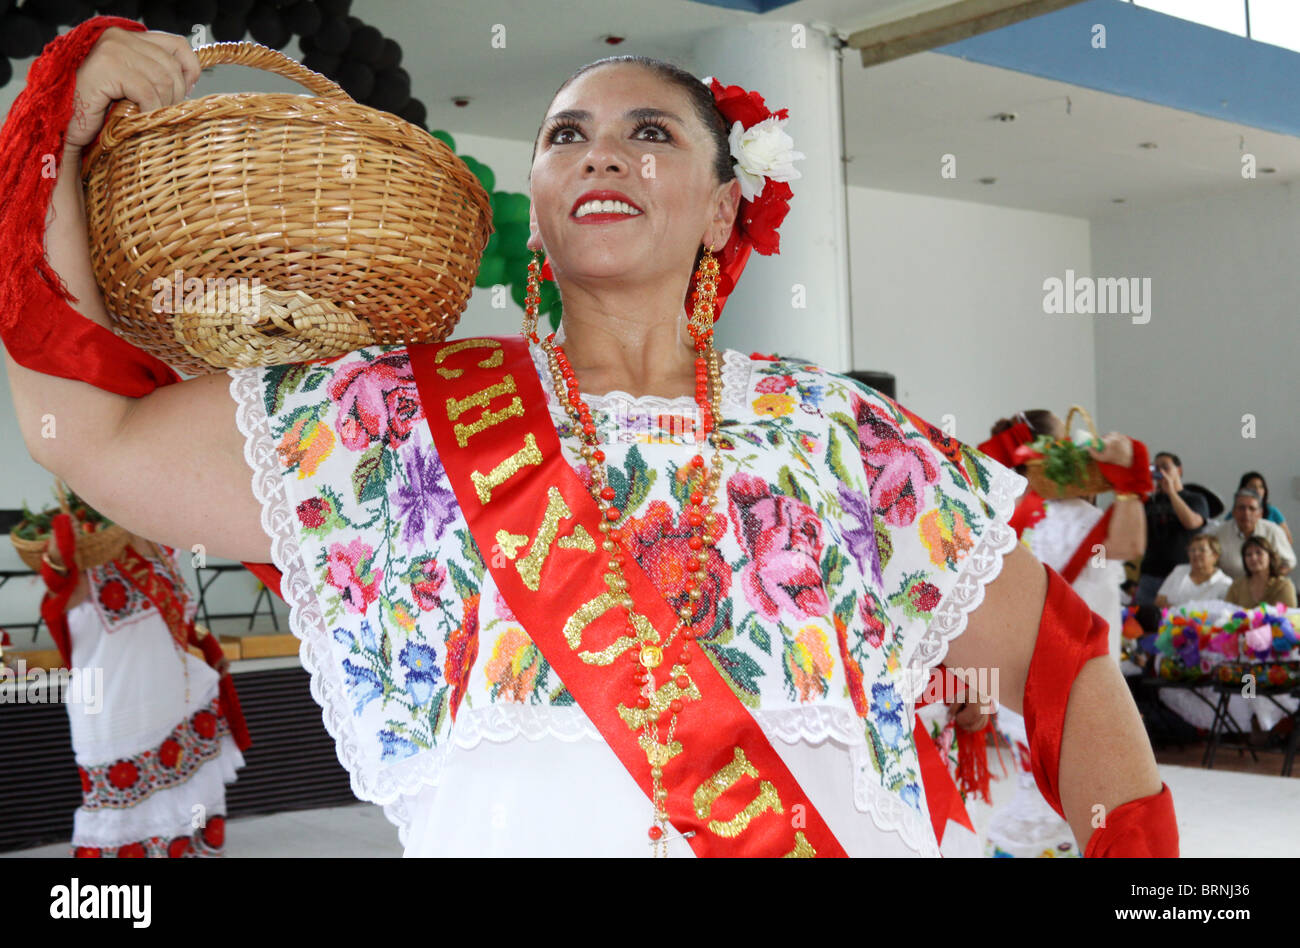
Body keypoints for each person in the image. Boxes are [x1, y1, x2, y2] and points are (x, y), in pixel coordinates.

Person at [1, 21, 1174, 857]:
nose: (601, 152)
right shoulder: (387, 421)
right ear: (542, 200)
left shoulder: (844, 436)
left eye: (650, 131)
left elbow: (1063, 663)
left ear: (725, 206)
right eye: (566, 136)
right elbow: (84, 430)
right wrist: (57, 107)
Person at [970, 411, 1149, 858]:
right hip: (1079, 686)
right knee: (1077, 803)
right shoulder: (1075, 520)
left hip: (1017, 687)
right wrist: (1129, 480)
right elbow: (1130, 546)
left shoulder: (998, 521)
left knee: (1037, 792)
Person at [36, 501, 246, 857]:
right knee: (120, 813)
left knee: (189, 799)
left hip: (173, 698)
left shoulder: (163, 549)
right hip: (117, 709)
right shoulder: (91, 559)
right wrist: (61, 548)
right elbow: (60, 592)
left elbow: (172, 617)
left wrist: (203, 641)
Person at [1137, 452, 1209, 606]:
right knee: (1141, 626)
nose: (1160, 472)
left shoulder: (1195, 499)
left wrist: (1171, 492)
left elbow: (1192, 522)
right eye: (1155, 468)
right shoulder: (1149, 502)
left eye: (1165, 467)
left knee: (1178, 625)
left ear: (1179, 470)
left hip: (1181, 575)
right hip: (1150, 574)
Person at [1212, 489, 1295, 582]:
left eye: (1252, 508)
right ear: (1233, 512)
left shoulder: (1273, 531)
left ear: (1260, 513)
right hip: (1230, 590)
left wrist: (1269, 581)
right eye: (1241, 508)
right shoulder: (1218, 533)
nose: (1246, 513)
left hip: (1267, 589)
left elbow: (1288, 563)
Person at [1154, 534, 1232, 609]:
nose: (1196, 553)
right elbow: (1159, 600)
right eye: (1192, 550)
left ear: (1215, 555)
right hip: (1171, 620)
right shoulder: (1179, 570)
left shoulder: (1225, 583)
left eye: (1202, 550)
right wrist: (1180, 613)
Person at [1224, 536, 1297, 609]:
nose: (1253, 558)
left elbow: (1290, 615)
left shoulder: (1283, 586)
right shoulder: (1237, 587)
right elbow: (1226, 613)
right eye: (1248, 554)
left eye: (1259, 553)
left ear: (1270, 557)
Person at [1237, 471, 1292, 545]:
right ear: (1243, 489)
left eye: (1261, 487)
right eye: (1253, 486)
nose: (1257, 490)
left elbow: (1288, 540)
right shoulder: (1236, 513)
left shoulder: (1273, 512)